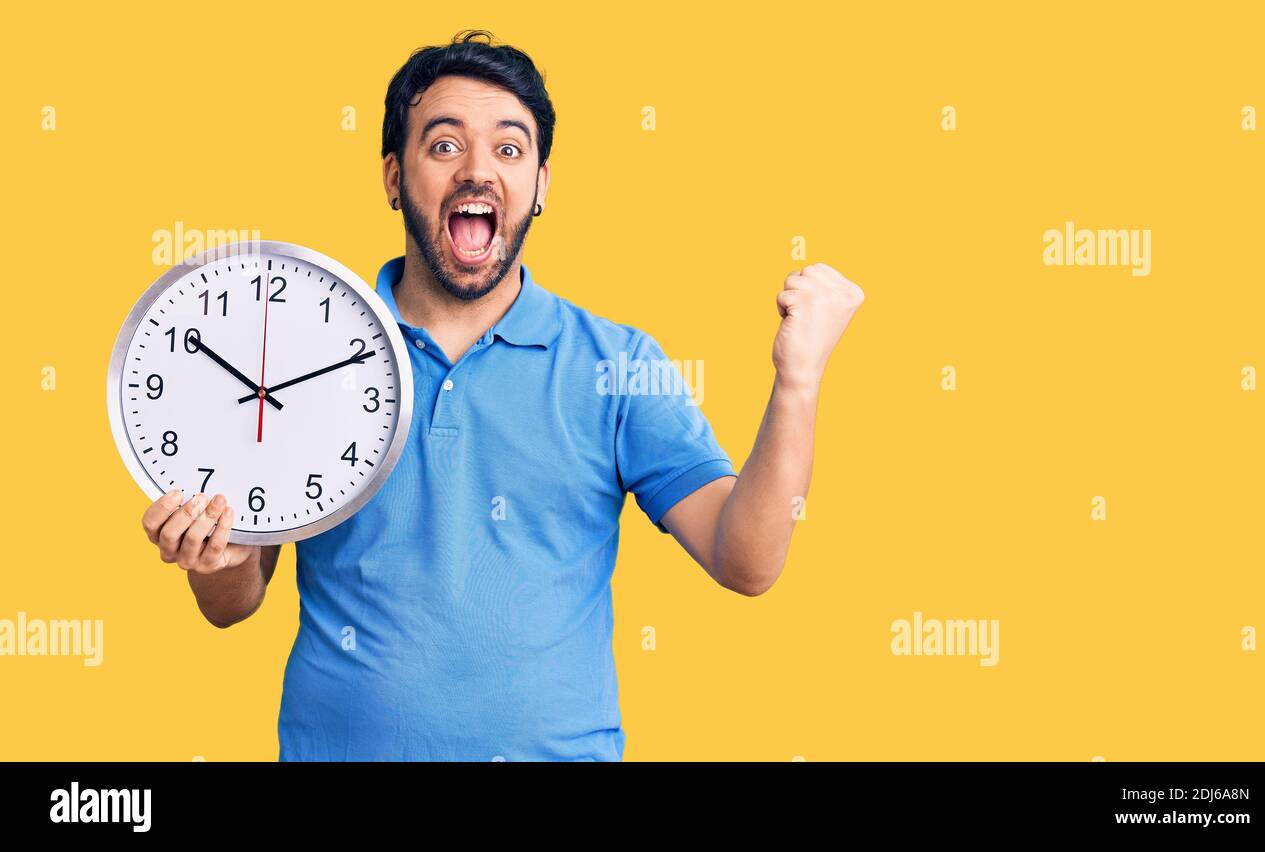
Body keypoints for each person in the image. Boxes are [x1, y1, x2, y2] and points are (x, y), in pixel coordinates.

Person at [139, 29, 864, 760]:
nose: (477, 171)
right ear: (394, 176)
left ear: (541, 185)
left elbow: (746, 561)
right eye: (445, 146)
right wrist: (216, 558)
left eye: (509, 149)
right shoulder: (299, 354)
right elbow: (236, 603)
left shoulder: (614, 364)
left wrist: (797, 382)